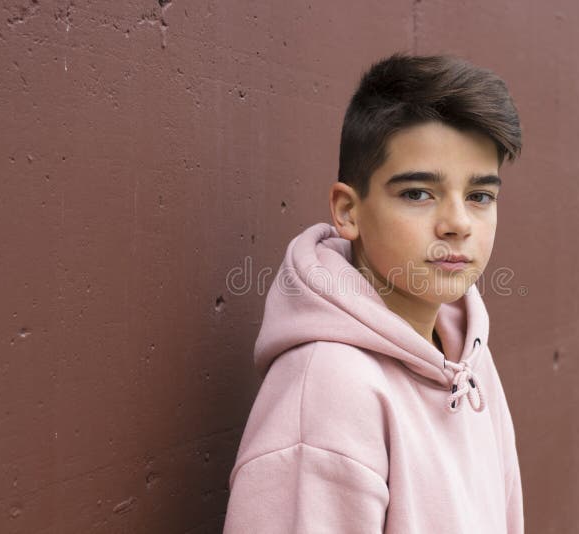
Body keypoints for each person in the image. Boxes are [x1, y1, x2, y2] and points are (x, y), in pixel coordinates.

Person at [223, 52, 524, 533]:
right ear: (348, 211)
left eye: (479, 196)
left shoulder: (469, 364)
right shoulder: (329, 389)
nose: (457, 224)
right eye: (417, 194)